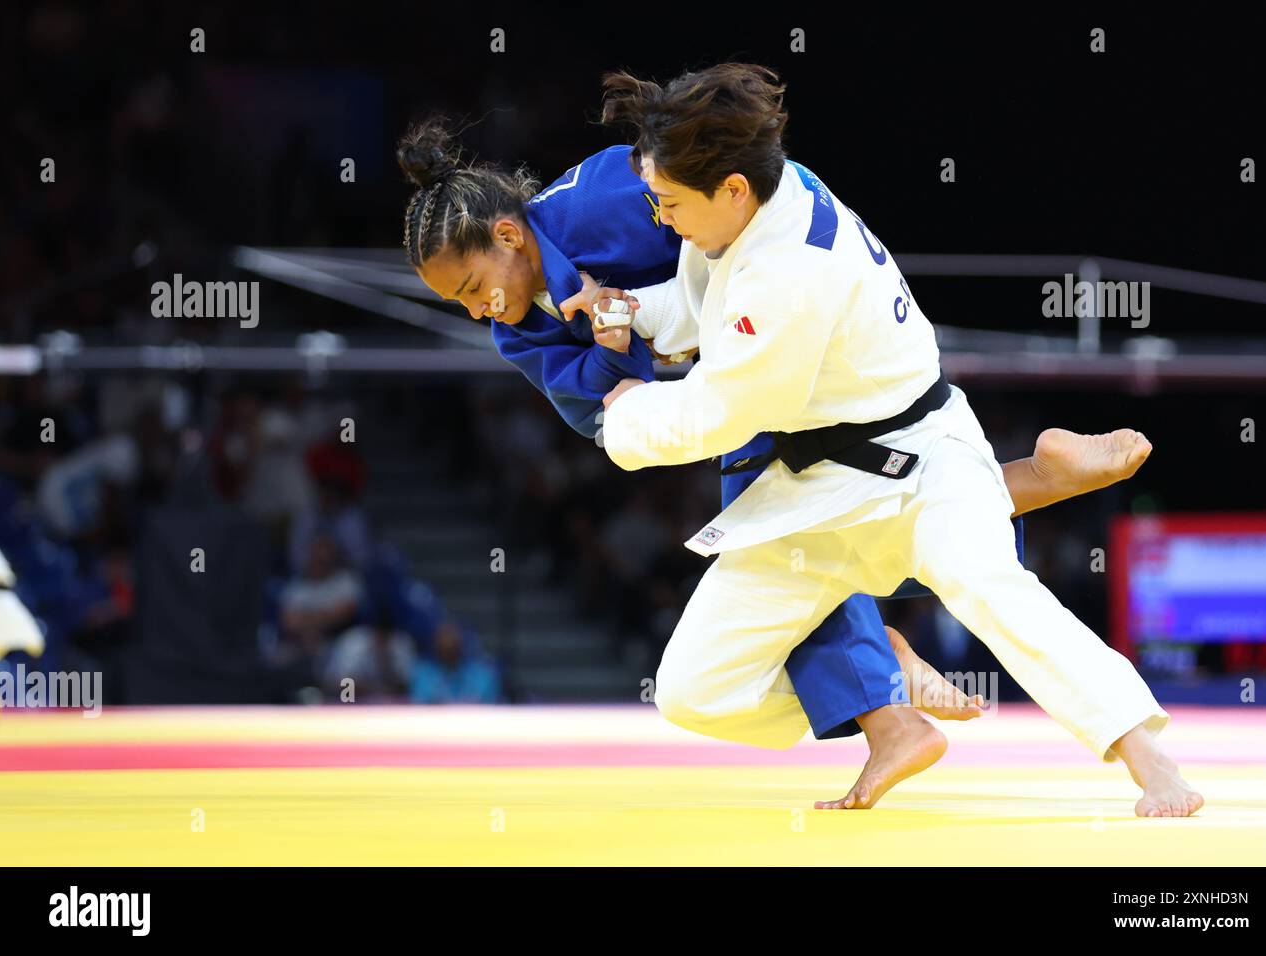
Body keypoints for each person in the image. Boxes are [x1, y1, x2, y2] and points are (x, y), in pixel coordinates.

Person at [397, 117, 1161, 808]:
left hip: (783, 335)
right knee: (854, 504)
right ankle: (913, 667)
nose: (477, 312)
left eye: (472, 288)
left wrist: (648, 325)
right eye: (457, 304)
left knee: (831, 506)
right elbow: (595, 411)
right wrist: (615, 348)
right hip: (715, 378)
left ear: (506, 235)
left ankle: (894, 706)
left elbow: (711, 196)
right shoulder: (516, 333)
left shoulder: (606, 194)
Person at [594, 63, 1201, 817]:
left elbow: (728, 410)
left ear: (732, 191)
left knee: (987, 586)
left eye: (671, 202)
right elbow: (712, 305)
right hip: (814, 495)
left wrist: (621, 415)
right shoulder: (764, 192)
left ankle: (1153, 760)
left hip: (922, 465)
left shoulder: (791, 269)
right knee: (693, 694)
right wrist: (634, 311)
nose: (662, 217)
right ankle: (889, 676)